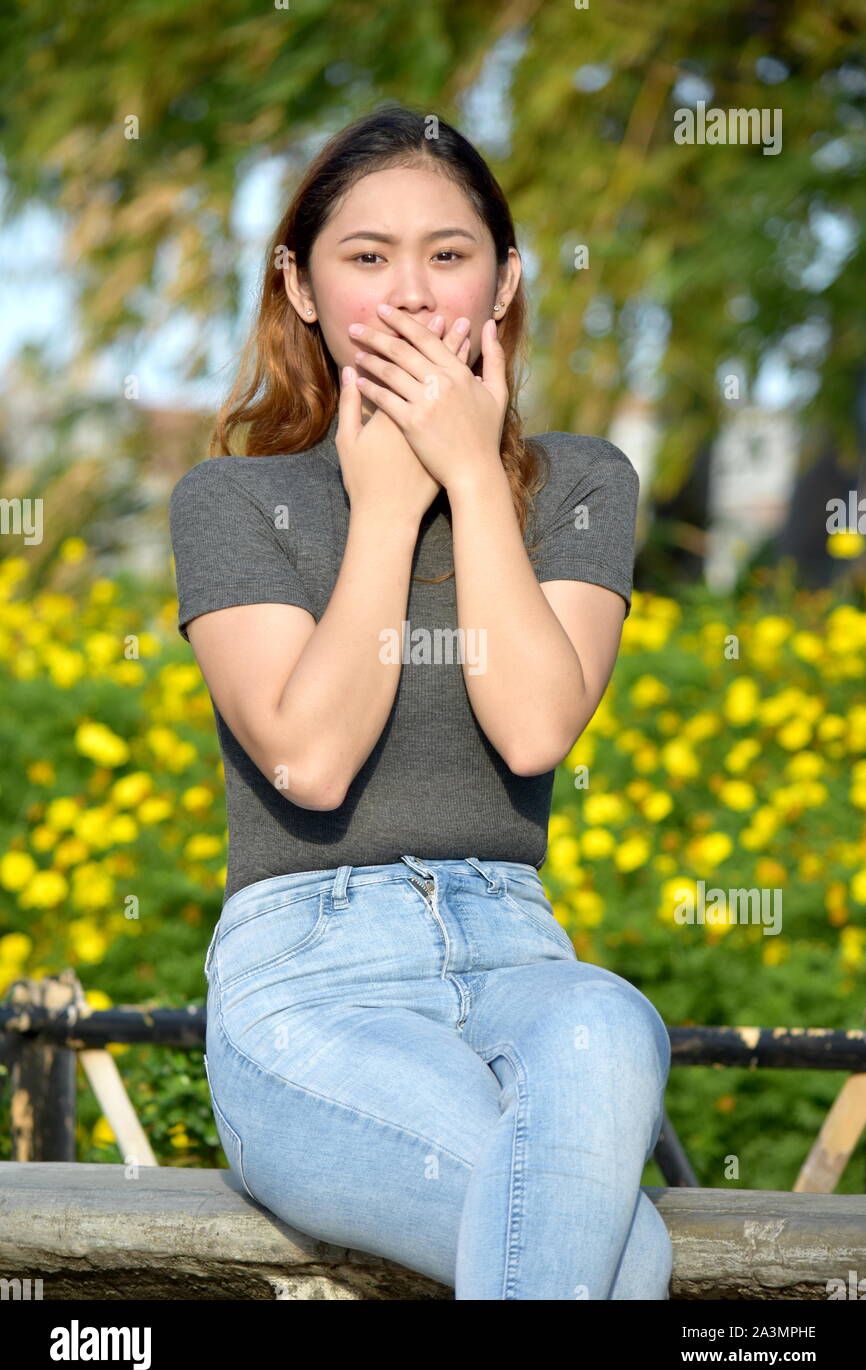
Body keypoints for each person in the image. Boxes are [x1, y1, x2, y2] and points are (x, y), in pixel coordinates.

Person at [168, 101, 671, 1300]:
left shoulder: (582, 482)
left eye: (448, 256)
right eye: (365, 256)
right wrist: (387, 509)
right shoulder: (232, 500)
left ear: (502, 285)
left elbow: (535, 725)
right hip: (311, 982)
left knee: (605, 1019)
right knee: (626, 1252)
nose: (408, 294)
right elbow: (312, 762)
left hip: (517, 953)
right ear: (298, 283)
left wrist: (469, 477)